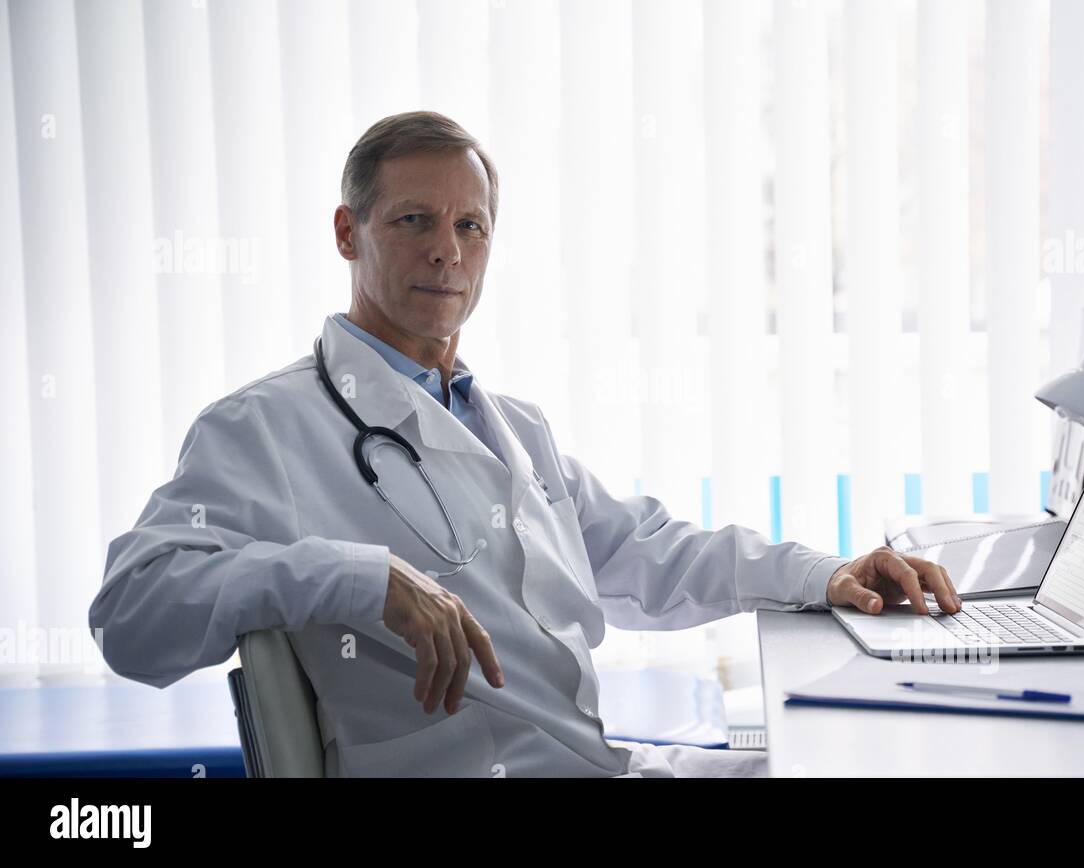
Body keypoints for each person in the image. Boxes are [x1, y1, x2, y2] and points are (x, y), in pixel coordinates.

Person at [90, 111, 960, 777]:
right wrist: (358, 577)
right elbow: (129, 615)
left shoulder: (507, 423)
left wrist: (825, 573)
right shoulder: (266, 428)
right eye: (413, 222)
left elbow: (646, 552)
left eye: (470, 226)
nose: (446, 253)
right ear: (348, 234)